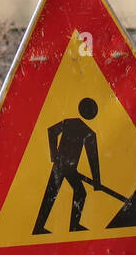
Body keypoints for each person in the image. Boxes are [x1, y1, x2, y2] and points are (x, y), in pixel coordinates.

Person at [32, 97, 100, 235]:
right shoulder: (77, 126)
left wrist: (97, 181)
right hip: (60, 166)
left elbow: (93, 158)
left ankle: (74, 226)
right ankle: (39, 228)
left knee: (78, 193)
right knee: (51, 194)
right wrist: (54, 155)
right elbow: (51, 131)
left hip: (70, 169)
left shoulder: (85, 130)